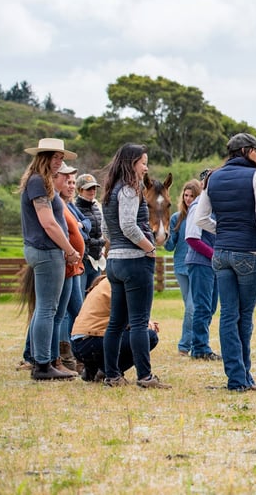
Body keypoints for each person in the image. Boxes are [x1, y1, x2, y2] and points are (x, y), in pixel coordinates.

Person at [193, 133, 256, 391]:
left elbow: (201, 219)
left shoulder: (212, 178)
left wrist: (223, 230)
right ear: (246, 151)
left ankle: (236, 378)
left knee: (227, 315)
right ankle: (245, 375)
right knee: (244, 317)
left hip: (221, 253)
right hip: (250, 251)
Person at [102, 143, 171, 388]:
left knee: (116, 323)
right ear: (132, 163)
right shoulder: (130, 190)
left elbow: (105, 229)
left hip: (115, 262)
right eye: (143, 162)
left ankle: (112, 374)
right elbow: (129, 226)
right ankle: (145, 376)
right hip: (134, 262)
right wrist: (149, 248)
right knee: (140, 322)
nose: (146, 167)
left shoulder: (110, 190)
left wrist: (117, 247)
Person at [19, 138, 81, 380]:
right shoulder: (38, 183)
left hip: (44, 251)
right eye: (56, 157)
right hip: (46, 251)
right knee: (47, 308)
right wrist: (69, 249)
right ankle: (43, 364)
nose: (59, 162)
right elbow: (48, 223)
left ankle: (43, 360)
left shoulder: (39, 182)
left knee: (46, 309)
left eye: (61, 158)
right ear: (44, 157)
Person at [71, 275, 161, 382]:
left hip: (78, 343)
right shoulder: (122, 284)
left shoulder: (106, 282)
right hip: (92, 342)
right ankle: (109, 371)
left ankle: (93, 369)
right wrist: (147, 324)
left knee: (120, 333)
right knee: (150, 337)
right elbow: (132, 321)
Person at [185, 169, 220, 361]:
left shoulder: (214, 206)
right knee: (203, 306)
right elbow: (192, 238)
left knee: (210, 306)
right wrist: (215, 255)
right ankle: (199, 347)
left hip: (211, 263)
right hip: (201, 262)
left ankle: (200, 344)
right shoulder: (199, 205)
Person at [57, 164, 88, 373]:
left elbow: (86, 225)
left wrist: (82, 230)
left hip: (75, 265)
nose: (71, 186)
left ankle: (70, 355)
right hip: (67, 264)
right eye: (67, 181)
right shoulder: (58, 204)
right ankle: (66, 355)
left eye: (73, 182)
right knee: (68, 311)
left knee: (69, 311)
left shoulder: (68, 205)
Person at [165, 180, 200, 356]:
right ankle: (193, 344)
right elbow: (170, 246)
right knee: (190, 307)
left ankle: (185, 345)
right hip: (181, 266)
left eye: (192, 195)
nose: (188, 199)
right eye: (186, 195)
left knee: (193, 308)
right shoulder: (176, 218)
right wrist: (165, 236)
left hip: (198, 265)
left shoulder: (201, 216)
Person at [75, 173, 106, 292]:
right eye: (88, 188)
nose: (92, 191)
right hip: (84, 259)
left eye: (94, 188)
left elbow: (101, 231)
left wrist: (102, 250)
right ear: (80, 190)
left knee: (93, 296)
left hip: (97, 259)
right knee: (80, 296)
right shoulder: (75, 207)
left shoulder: (98, 207)